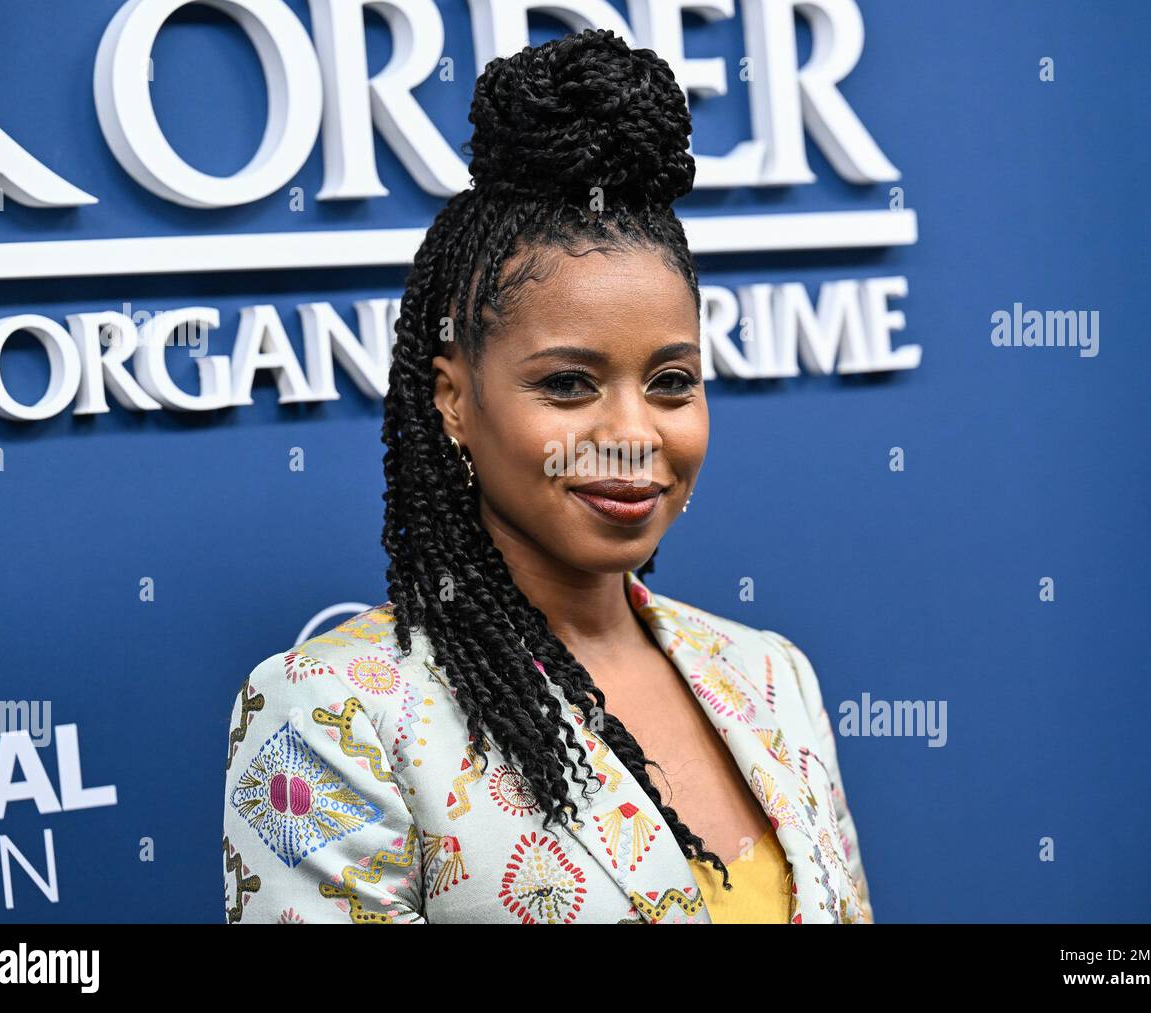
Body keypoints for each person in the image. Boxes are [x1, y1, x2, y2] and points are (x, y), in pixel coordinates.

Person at [223, 27, 872, 925]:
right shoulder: (333, 716)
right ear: (453, 399)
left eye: (671, 382)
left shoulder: (771, 676)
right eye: (568, 384)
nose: (631, 434)